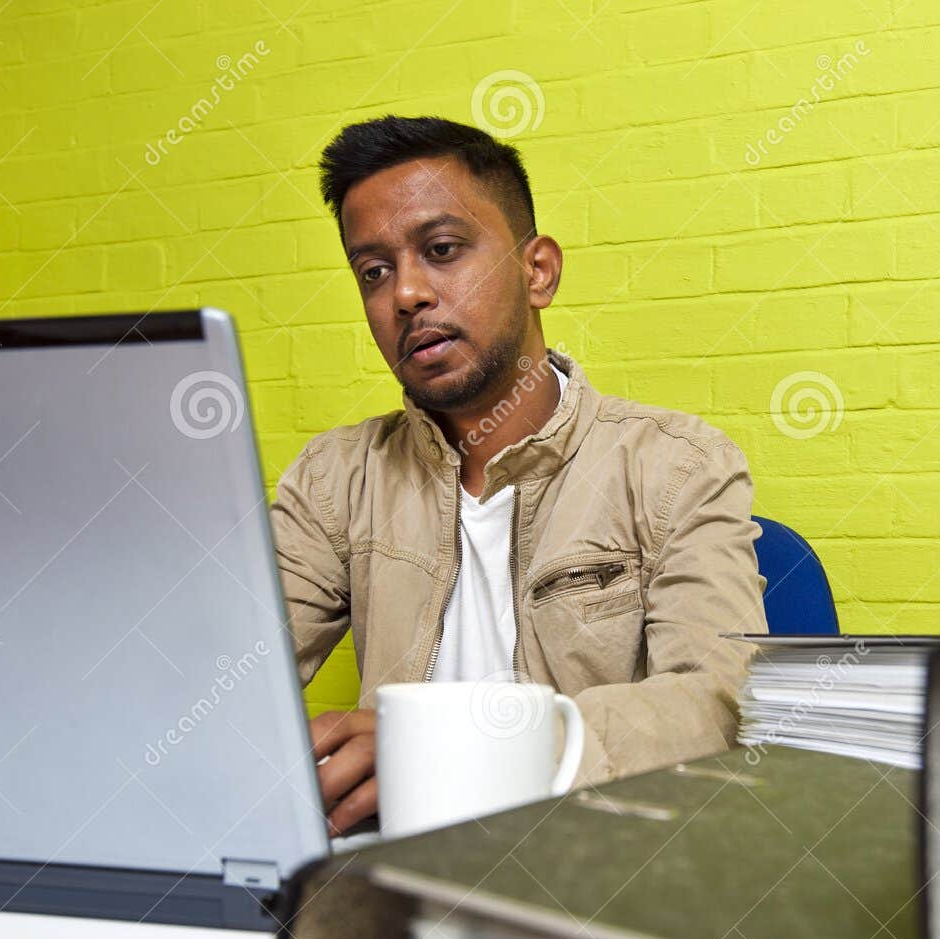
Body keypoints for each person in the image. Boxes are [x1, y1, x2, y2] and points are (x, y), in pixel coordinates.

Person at [269, 114, 768, 835]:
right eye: (373, 271)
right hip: (392, 881)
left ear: (538, 271)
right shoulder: (334, 478)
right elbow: (222, 683)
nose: (406, 293)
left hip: (598, 874)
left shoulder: (677, 465)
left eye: (441, 250)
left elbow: (719, 703)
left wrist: (450, 746)